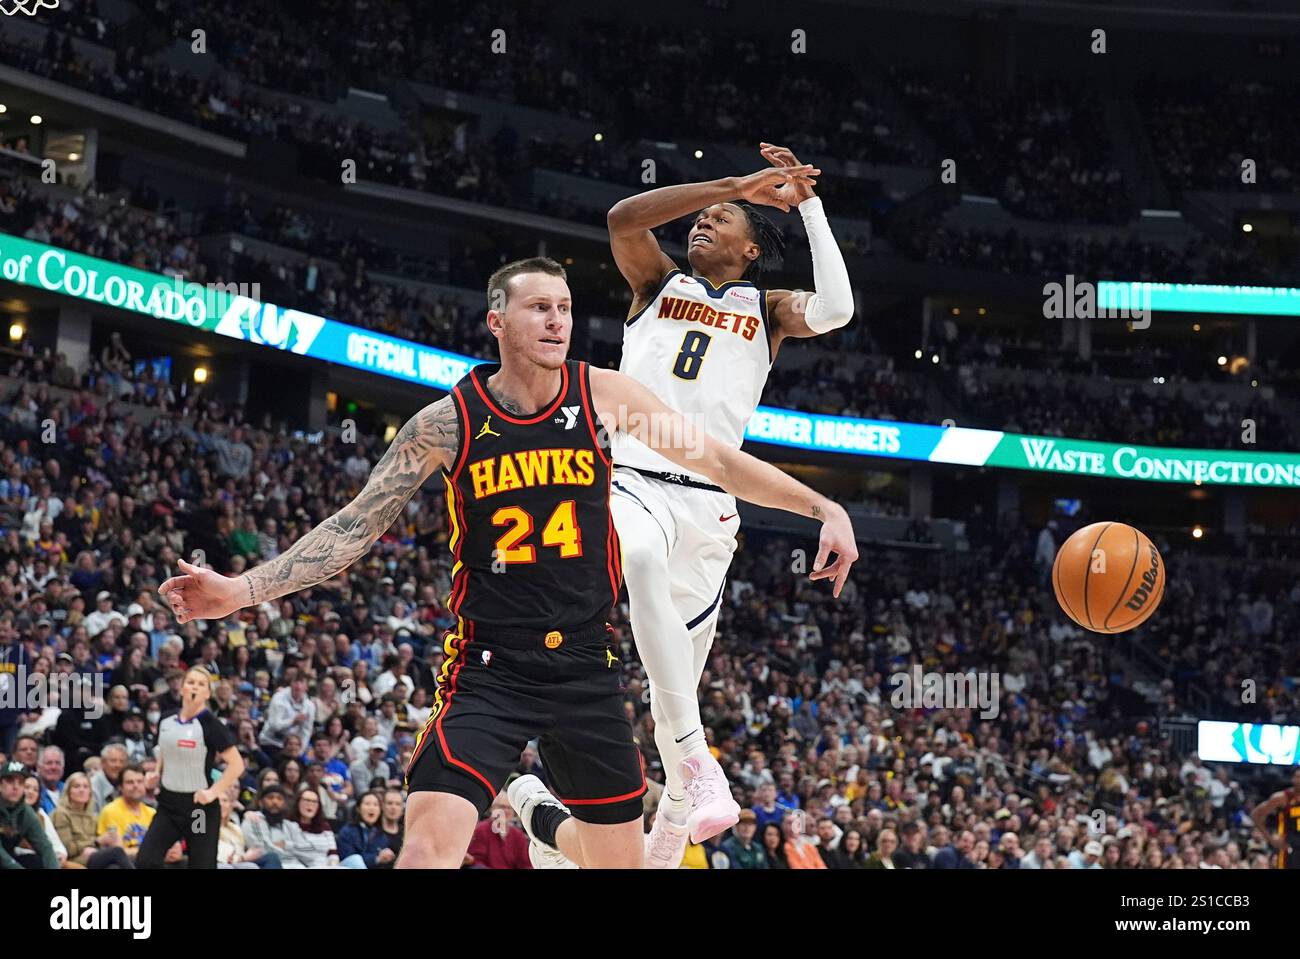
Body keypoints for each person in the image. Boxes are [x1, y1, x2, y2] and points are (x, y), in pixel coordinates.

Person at [159, 258, 857, 871]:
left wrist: (822, 505)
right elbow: (353, 527)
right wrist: (242, 590)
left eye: (565, 308)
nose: (558, 320)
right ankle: (537, 807)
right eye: (539, 307)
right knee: (427, 850)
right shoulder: (447, 422)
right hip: (487, 669)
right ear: (497, 318)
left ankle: (537, 814)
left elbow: (716, 459)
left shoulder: (605, 397)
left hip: (585, 668)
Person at [607, 143, 853, 865]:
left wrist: (807, 203)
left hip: (714, 503)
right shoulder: (655, 283)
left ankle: (678, 808)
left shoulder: (767, 309)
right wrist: (728, 184)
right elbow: (623, 219)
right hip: (634, 477)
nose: (702, 224)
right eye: (699, 218)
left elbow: (836, 308)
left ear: (751, 250)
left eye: (721, 219)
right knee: (641, 556)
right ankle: (696, 765)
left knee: (674, 679)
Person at [136, 666, 244, 869]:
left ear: (207, 693)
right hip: (169, 805)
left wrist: (213, 793)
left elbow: (237, 765)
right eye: (191, 682)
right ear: (183, 688)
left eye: (201, 683)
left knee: (201, 865)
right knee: (146, 861)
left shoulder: (211, 725)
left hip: (198, 810)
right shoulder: (166, 718)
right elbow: (165, 750)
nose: (195, 686)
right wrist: (156, 773)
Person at [52, 771, 131, 868]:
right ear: (68, 791)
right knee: (117, 852)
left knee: (114, 867)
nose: (82, 790)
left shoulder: (93, 816)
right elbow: (67, 848)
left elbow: (100, 843)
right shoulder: (61, 814)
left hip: (94, 857)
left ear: (90, 792)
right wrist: (96, 842)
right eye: (76, 786)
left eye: (86, 787)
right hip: (74, 860)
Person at [97, 764, 168, 864]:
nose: (136, 785)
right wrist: (152, 852)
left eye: (140, 781)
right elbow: (118, 852)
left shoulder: (153, 813)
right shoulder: (110, 811)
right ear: (121, 787)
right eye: (130, 782)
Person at [465, 791, 532, 869]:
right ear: (492, 808)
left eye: (509, 808)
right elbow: (476, 861)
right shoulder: (481, 830)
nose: (506, 811)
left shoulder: (518, 835)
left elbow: (525, 864)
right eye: (502, 807)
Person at [1250, 767, 1300, 869]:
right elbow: (1255, 815)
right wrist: (1271, 839)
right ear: (1293, 779)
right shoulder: (1282, 797)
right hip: (1289, 848)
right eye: (1298, 776)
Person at [337, 792, 395, 869]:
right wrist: (376, 858)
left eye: (376, 805)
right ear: (358, 809)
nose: (372, 808)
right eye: (367, 804)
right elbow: (349, 860)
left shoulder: (381, 835)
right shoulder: (347, 831)